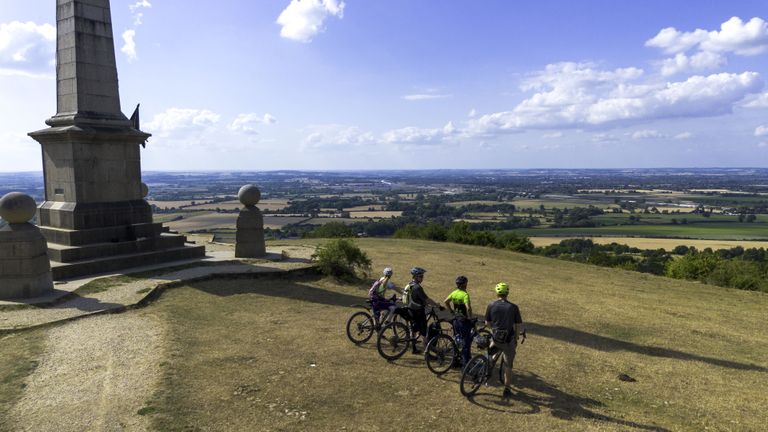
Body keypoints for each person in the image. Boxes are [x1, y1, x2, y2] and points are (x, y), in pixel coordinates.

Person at [484, 282, 524, 400]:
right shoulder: (513, 307)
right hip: (508, 340)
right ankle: (507, 388)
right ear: (507, 293)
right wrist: (516, 338)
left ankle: (486, 374)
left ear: (497, 293)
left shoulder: (491, 305)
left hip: (496, 338)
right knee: (508, 365)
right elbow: (517, 325)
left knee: (491, 355)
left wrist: (494, 331)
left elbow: (487, 323)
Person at [403, 267, 441, 354]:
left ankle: (414, 348)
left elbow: (413, 298)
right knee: (424, 333)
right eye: (421, 276)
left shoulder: (408, 285)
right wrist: (436, 305)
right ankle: (426, 353)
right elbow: (427, 299)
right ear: (416, 277)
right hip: (418, 312)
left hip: (410, 310)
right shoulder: (417, 288)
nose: (422, 278)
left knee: (414, 329)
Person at [444, 275, 473, 367]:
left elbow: (446, 301)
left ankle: (455, 360)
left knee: (457, 340)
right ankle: (466, 363)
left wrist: (451, 311)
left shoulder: (454, 293)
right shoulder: (465, 294)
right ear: (464, 284)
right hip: (463, 321)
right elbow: (468, 308)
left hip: (456, 320)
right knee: (466, 342)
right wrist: (470, 318)